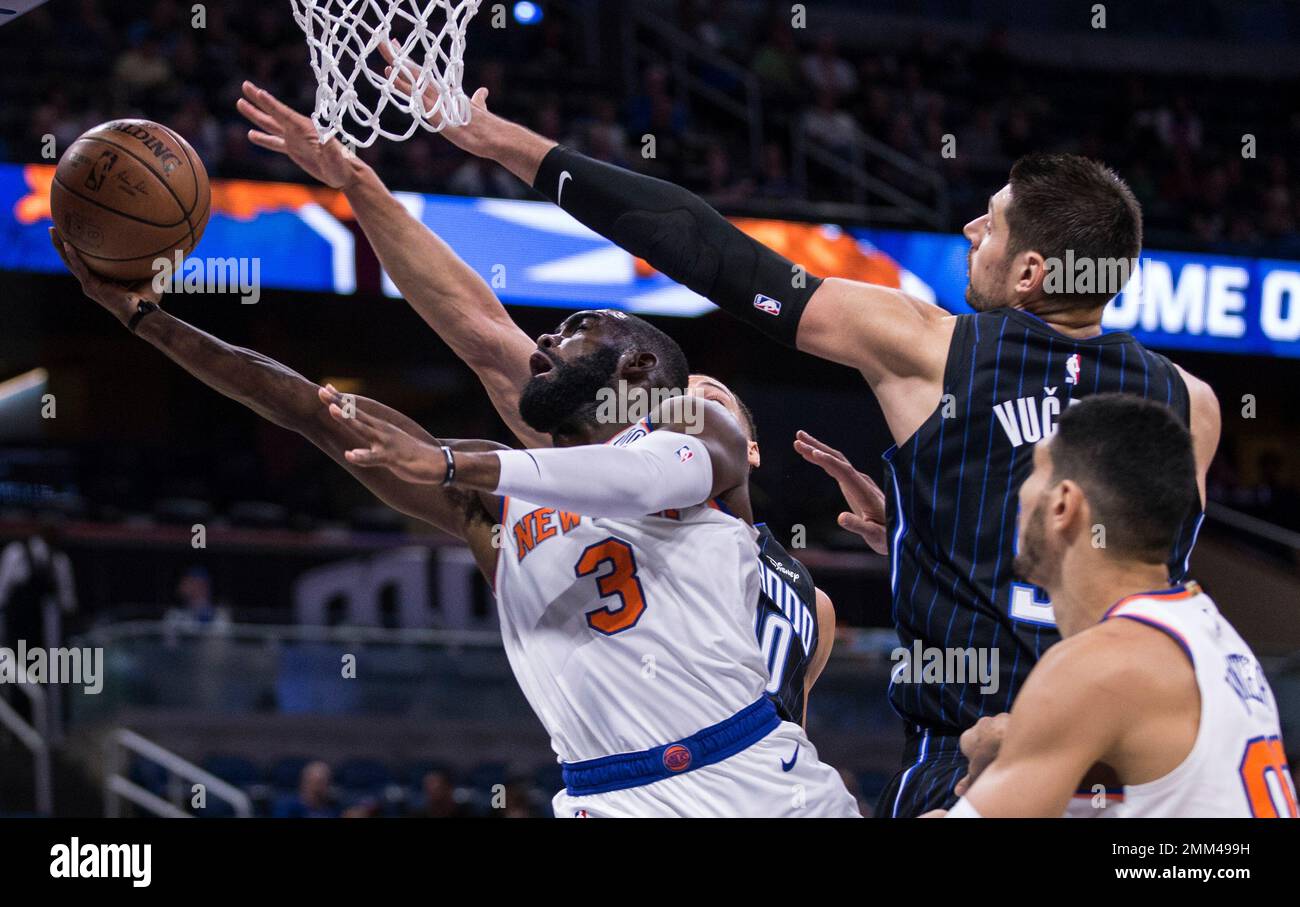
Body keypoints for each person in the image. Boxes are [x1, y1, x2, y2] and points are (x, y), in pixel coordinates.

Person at [409, 80, 1222, 816]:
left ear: (1032, 272)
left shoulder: (930, 347)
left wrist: (505, 143)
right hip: (1142, 762)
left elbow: (711, 249)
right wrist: (919, 522)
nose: (972, 227)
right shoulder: (1192, 402)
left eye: (993, 221)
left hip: (977, 761)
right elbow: (1124, 557)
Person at [51, 235, 859, 819]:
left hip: (753, 779)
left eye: (572, 327)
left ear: (638, 368)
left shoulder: (696, 428)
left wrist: (452, 465)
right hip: (602, 793)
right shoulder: (493, 498)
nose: (542, 339)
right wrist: (147, 321)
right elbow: (306, 408)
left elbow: (639, 473)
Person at [235, 82, 842, 730]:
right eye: (670, 401)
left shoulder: (812, 604)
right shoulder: (605, 469)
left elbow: (789, 740)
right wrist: (360, 184)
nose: (681, 410)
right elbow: (482, 331)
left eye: (706, 402)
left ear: (745, 449)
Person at [928, 395, 1296, 818]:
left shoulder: (1100, 666)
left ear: (1063, 505)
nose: (1018, 494)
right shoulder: (1214, 639)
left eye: (1032, 471)